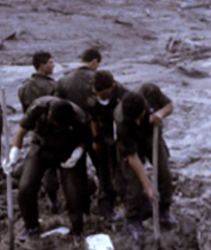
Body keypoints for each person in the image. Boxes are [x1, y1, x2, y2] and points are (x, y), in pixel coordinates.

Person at [7, 97, 91, 245]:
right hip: (41, 147)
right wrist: (14, 153)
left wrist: (77, 153)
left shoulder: (79, 117)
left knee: (73, 193)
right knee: (25, 187)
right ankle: (31, 227)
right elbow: (21, 132)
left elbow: (85, 140)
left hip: (67, 151)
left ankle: (78, 231)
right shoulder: (38, 107)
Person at [56, 49, 114, 217]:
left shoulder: (63, 81)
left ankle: (82, 210)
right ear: (94, 62)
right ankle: (106, 208)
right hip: (97, 134)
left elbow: (58, 107)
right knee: (103, 170)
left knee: (77, 173)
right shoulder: (97, 80)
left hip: (73, 133)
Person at [114, 85, 176, 239]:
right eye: (133, 119)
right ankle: (133, 219)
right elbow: (132, 156)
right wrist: (148, 186)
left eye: (139, 117)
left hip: (151, 137)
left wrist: (160, 114)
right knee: (134, 183)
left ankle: (164, 210)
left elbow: (169, 106)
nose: (136, 120)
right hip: (132, 143)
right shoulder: (121, 119)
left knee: (165, 173)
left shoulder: (151, 91)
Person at [18, 51, 59, 211]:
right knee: (55, 168)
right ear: (42, 66)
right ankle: (54, 199)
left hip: (36, 133)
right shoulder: (51, 86)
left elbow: (26, 114)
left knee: (41, 166)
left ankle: (50, 197)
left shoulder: (25, 87)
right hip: (55, 133)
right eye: (50, 62)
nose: (53, 65)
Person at [90, 70, 129, 221]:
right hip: (104, 135)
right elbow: (93, 118)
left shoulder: (124, 96)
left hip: (122, 136)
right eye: (98, 94)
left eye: (104, 94)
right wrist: (96, 139)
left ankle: (127, 201)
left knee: (123, 171)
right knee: (103, 171)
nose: (101, 97)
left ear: (112, 87)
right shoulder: (91, 97)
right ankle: (106, 206)